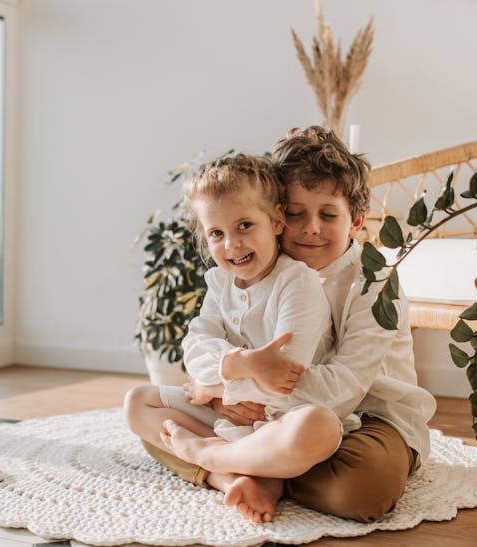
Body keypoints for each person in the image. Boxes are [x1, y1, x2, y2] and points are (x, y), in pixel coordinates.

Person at [135, 127, 437, 524]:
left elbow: (344, 387)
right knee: (143, 410)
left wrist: (226, 389)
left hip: (370, 418)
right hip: (275, 423)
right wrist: (232, 380)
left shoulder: (373, 281)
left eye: (328, 215)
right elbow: (201, 344)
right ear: (277, 216)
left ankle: (218, 460)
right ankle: (253, 471)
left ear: (356, 222)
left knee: (362, 491)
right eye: (296, 213)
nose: (310, 227)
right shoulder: (258, 271)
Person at [124, 153, 344, 485]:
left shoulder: (297, 282)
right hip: (226, 414)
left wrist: (212, 389)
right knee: (137, 403)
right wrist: (237, 366)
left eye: (244, 226)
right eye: (216, 233)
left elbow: (283, 379)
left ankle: (213, 459)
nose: (232, 243)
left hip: (280, 419)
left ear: (276, 220)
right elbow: (195, 350)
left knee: (318, 428)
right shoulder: (220, 283)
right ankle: (234, 477)